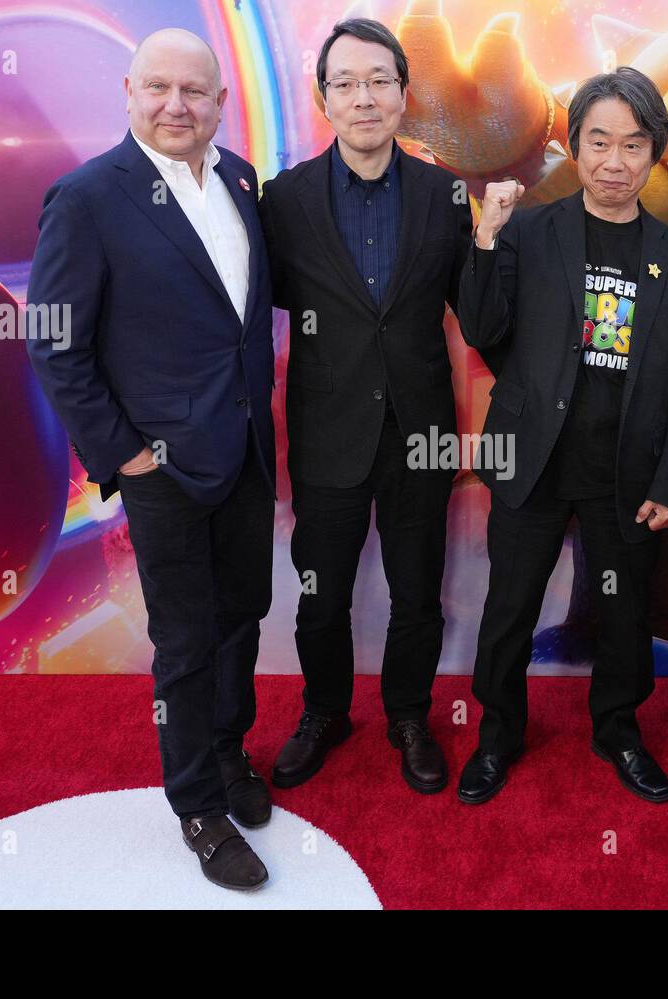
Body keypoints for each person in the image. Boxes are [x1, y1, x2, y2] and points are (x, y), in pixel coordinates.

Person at [26, 28, 275, 889]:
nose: (177, 105)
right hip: (159, 466)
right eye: (159, 88)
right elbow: (57, 344)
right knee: (185, 638)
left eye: (194, 92)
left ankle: (229, 749)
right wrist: (124, 455)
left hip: (244, 448)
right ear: (129, 92)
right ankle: (198, 804)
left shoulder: (240, 179)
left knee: (245, 608)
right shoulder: (90, 197)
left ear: (219, 103)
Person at [455, 67, 668, 805]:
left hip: (626, 470)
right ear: (574, 146)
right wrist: (484, 238)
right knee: (510, 609)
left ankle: (618, 730)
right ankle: (497, 734)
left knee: (625, 611)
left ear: (655, 151)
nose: (614, 160)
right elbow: (484, 328)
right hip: (534, 461)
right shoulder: (531, 231)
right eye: (598, 140)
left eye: (633, 144)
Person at [257, 19, 472, 793]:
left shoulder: (447, 193)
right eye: (345, 83)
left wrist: (493, 242)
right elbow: (266, 302)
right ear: (323, 99)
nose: (364, 98)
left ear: (404, 94)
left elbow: (475, 312)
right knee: (322, 593)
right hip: (328, 430)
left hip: (421, 432)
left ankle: (409, 716)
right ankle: (324, 711)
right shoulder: (283, 201)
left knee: (419, 591)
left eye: (379, 80)